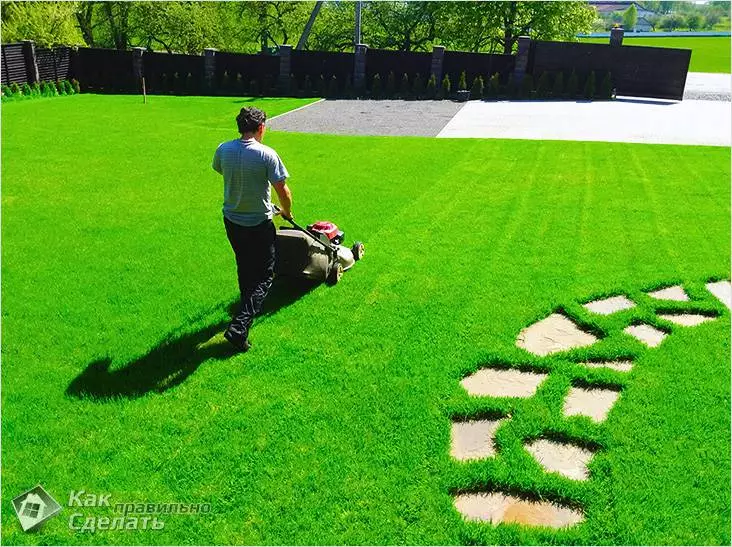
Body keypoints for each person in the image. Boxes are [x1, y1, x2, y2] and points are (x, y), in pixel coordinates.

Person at [212, 106, 293, 352]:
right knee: (266, 276)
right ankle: (239, 327)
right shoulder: (267, 154)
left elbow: (221, 170)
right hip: (258, 223)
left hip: (232, 221)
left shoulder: (223, 149)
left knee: (245, 268)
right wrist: (287, 212)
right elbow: (283, 191)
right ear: (261, 128)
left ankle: (241, 323)